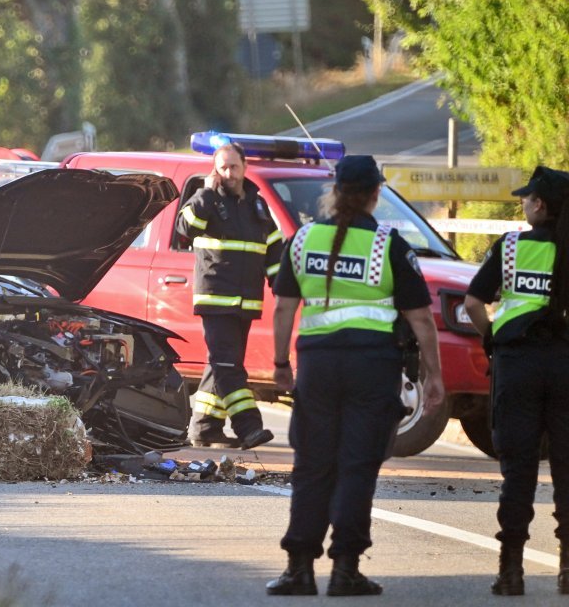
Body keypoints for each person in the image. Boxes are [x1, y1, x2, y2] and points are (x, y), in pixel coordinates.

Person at [266, 154, 444, 597]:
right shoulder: (390, 245)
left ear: (334, 191)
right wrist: (435, 377)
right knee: (357, 466)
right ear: (375, 195)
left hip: (319, 368)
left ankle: (299, 570)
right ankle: (346, 569)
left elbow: (285, 308)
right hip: (372, 368)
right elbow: (422, 320)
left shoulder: (303, 239)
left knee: (312, 466)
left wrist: (280, 365)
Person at [463, 165, 569, 596]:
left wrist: (493, 339)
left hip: (517, 366)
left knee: (519, 471)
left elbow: (473, 303)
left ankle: (511, 572)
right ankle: (567, 571)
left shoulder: (509, 248)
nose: (522, 202)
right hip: (565, 367)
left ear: (539, 205)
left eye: (526, 197)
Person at [176, 140, 280, 450]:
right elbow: (185, 228)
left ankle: (205, 427)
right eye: (223, 167)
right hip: (216, 301)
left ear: (245, 167)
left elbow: (274, 248)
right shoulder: (206, 199)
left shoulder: (256, 204)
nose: (229, 173)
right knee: (228, 366)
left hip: (247, 302)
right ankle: (249, 426)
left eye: (234, 166)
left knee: (221, 363)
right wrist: (207, 192)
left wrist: (282, 284)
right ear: (215, 170)